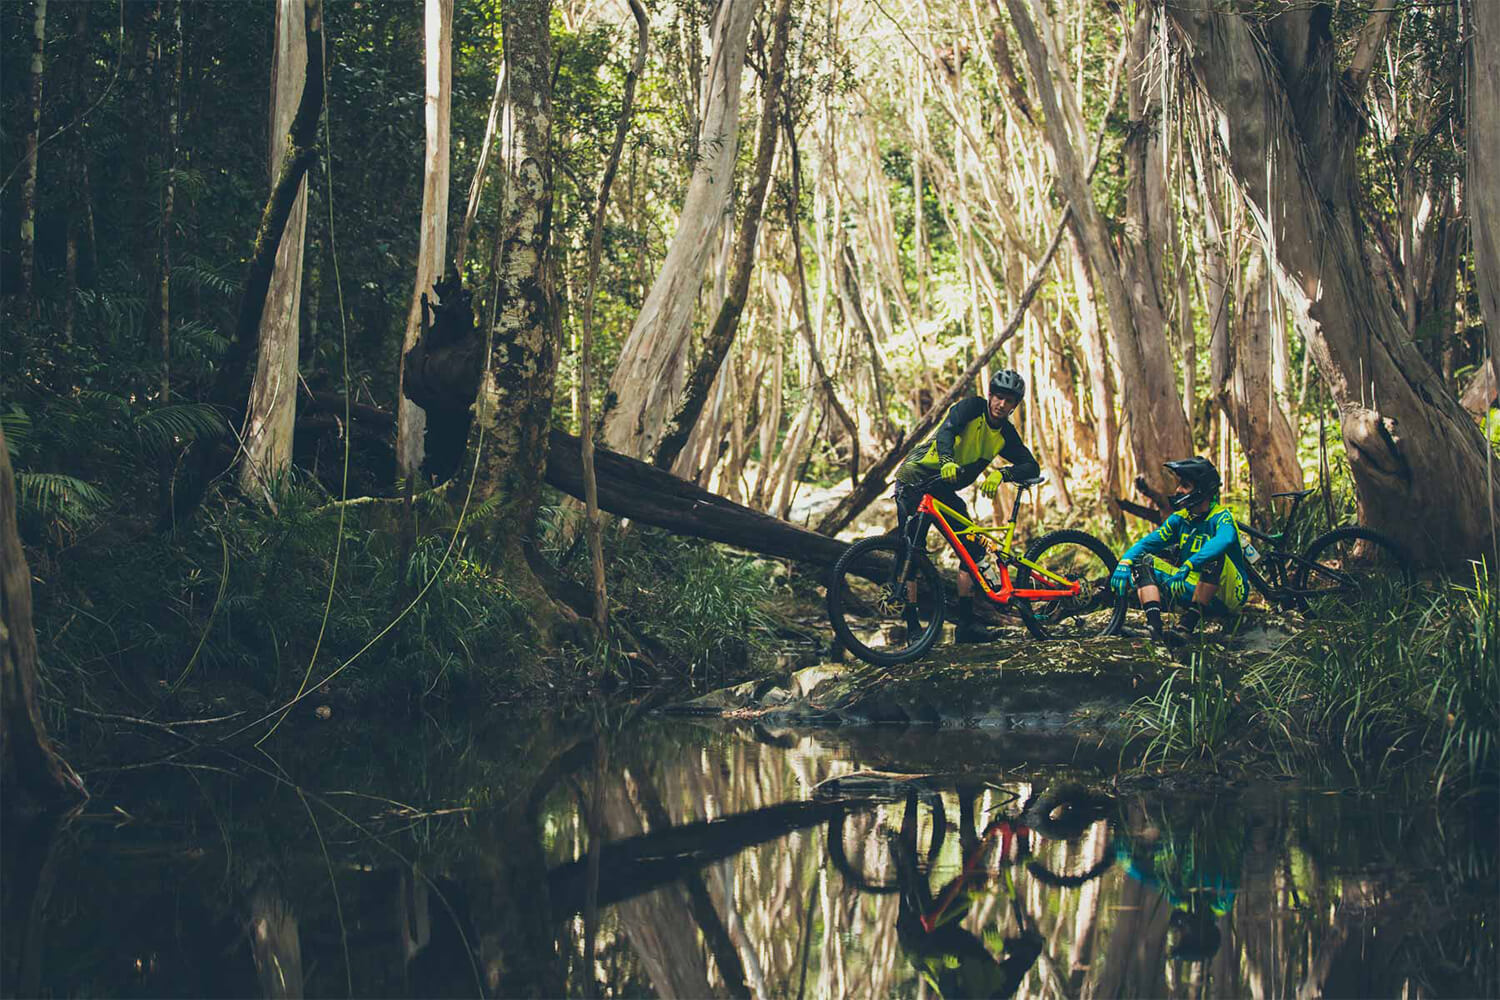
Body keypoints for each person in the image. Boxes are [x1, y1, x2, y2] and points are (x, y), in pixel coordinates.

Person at [893, 369, 1041, 643]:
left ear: (1014, 406)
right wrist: (947, 460)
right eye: (998, 397)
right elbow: (947, 431)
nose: (1001, 405)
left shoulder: (1005, 434)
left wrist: (1002, 474)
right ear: (989, 395)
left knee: (971, 549)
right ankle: (913, 628)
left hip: (943, 490)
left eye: (1009, 401)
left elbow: (1031, 464)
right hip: (914, 479)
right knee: (911, 551)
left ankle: (966, 625)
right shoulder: (972, 407)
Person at [1108, 457, 1249, 648]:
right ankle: (1155, 629)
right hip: (1193, 586)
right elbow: (1147, 543)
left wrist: (1189, 564)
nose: (1178, 490)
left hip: (1229, 595)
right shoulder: (1180, 519)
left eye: (1185, 485)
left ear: (1202, 489)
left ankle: (1186, 627)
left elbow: (1223, 540)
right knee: (1142, 560)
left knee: (1214, 554)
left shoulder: (1221, 516)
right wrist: (1124, 562)